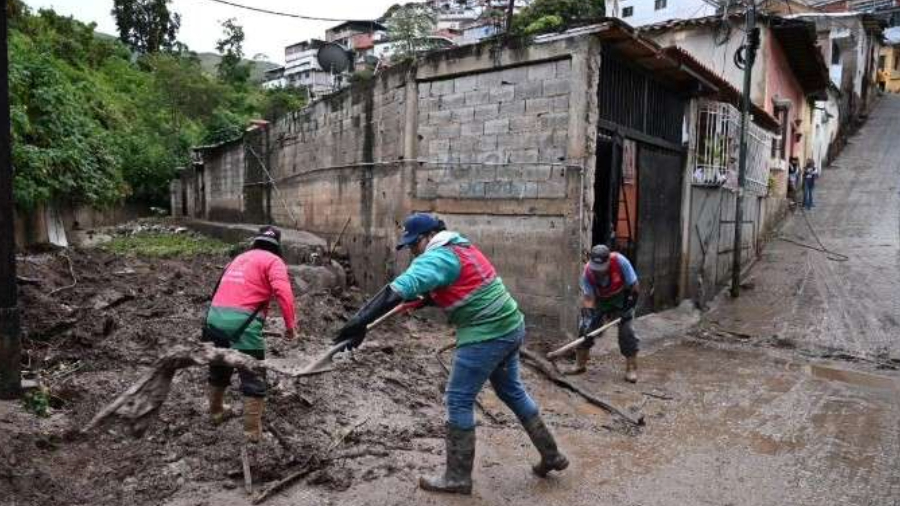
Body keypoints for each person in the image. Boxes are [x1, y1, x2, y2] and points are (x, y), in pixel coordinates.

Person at [334, 213, 568, 495]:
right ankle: (552, 455)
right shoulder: (462, 247)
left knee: (458, 399)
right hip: (510, 326)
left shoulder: (437, 257)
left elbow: (395, 290)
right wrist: (428, 299)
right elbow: (463, 285)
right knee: (512, 392)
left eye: (413, 244)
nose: (412, 250)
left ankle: (457, 477)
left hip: (486, 335)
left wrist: (358, 323)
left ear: (428, 237)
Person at [203, 225, 297, 443]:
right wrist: (290, 327)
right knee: (253, 378)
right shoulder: (274, 262)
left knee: (219, 368)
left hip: (213, 320)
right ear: (276, 247)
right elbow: (284, 293)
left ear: (256, 242)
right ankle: (252, 433)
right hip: (242, 327)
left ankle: (216, 412)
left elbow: (218, 289)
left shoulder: (238, 258)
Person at [568, 245, 641, 383]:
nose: (599, 272)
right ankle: (580, 364)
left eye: (602, 269)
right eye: (596, 269)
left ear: (608, 262)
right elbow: (589, 299)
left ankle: (631, 368)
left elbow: (635, 285)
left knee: (627, 332)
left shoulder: (620, 262)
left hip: (622, 298)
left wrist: (631, 304)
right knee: (585, 330)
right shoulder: (588, 273)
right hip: (601, 300)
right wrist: (588, 317)